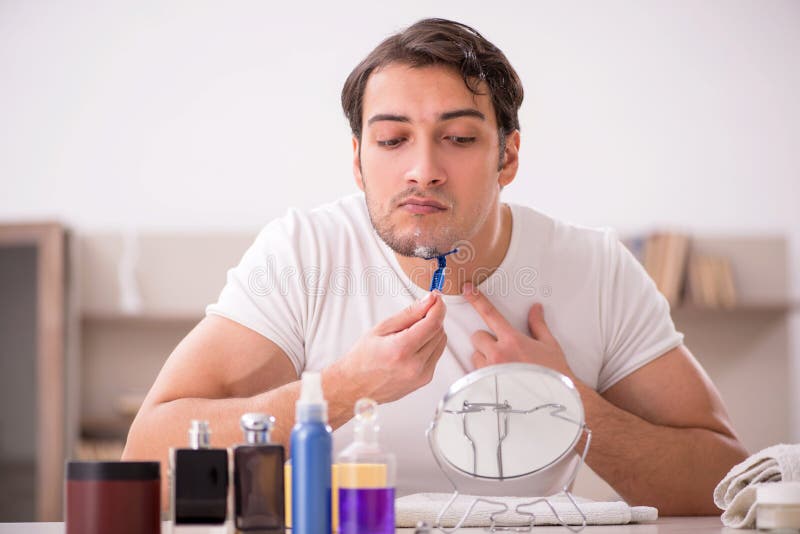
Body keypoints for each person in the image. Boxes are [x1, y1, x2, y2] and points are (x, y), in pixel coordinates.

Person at [122, 18, 748, 514]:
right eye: (392, 140)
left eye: (459, 137)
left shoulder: (595, 268)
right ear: (359, 160)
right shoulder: (302, 253)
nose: (422, 168)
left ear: (508, 156)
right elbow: (145, 459)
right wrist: (342, 390)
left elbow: (725, 480)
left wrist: (568, 406)